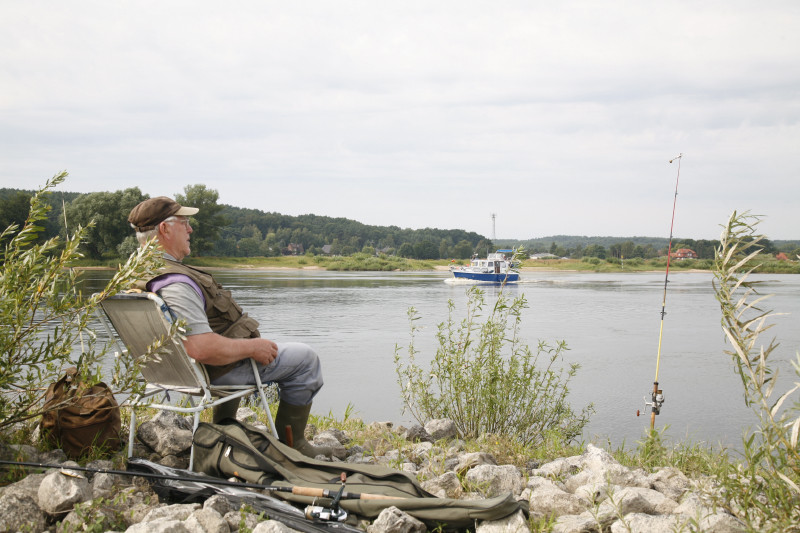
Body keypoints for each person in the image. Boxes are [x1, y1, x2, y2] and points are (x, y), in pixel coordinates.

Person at [127, 196, 330, 458]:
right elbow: (202, 347)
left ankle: (222, 429)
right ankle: (293, 445)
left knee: (230, 344)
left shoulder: (139, 273)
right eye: (184, 223)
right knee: (306, 359)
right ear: (164, 229)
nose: (190, 229)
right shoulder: (175, 283)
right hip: (208, 372)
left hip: (167, 372)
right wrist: (252, 347)